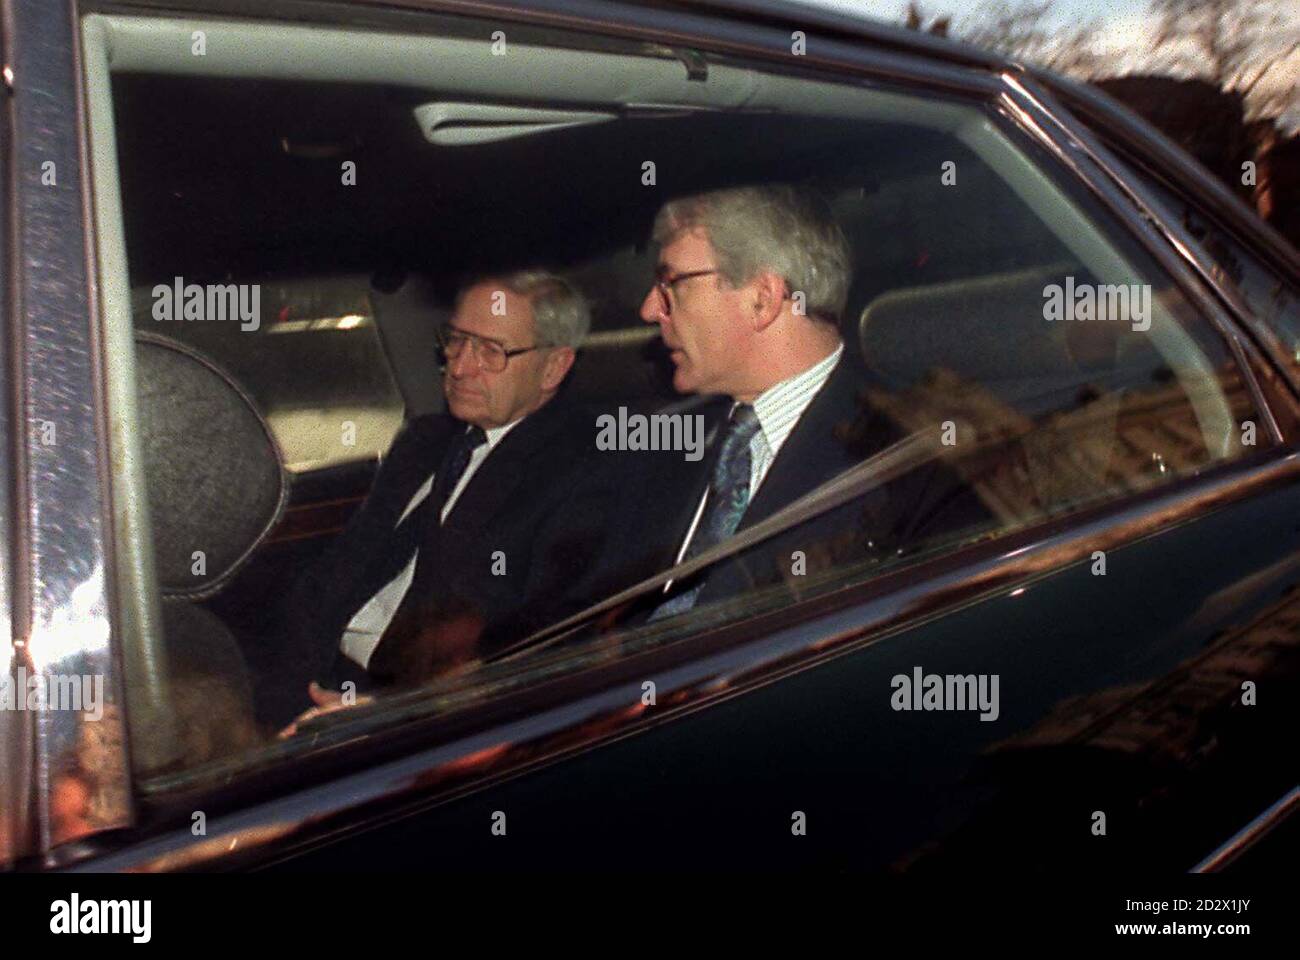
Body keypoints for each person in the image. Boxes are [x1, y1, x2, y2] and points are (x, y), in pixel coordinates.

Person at [588, 184, 986, 621]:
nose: (649, 309)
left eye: (671, 283)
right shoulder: (658, 444)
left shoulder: (912, 459)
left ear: (762, 298)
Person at [263, 270, 610, 726]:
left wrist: (392, 714)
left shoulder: (581, 471)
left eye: (491, 351)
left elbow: (540, 646)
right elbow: (334, 574)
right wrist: (277, 697)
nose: (460, 366)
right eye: (457, 340)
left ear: (554, 367)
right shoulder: (428, 440)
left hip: (419, 715)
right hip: (316, 677)